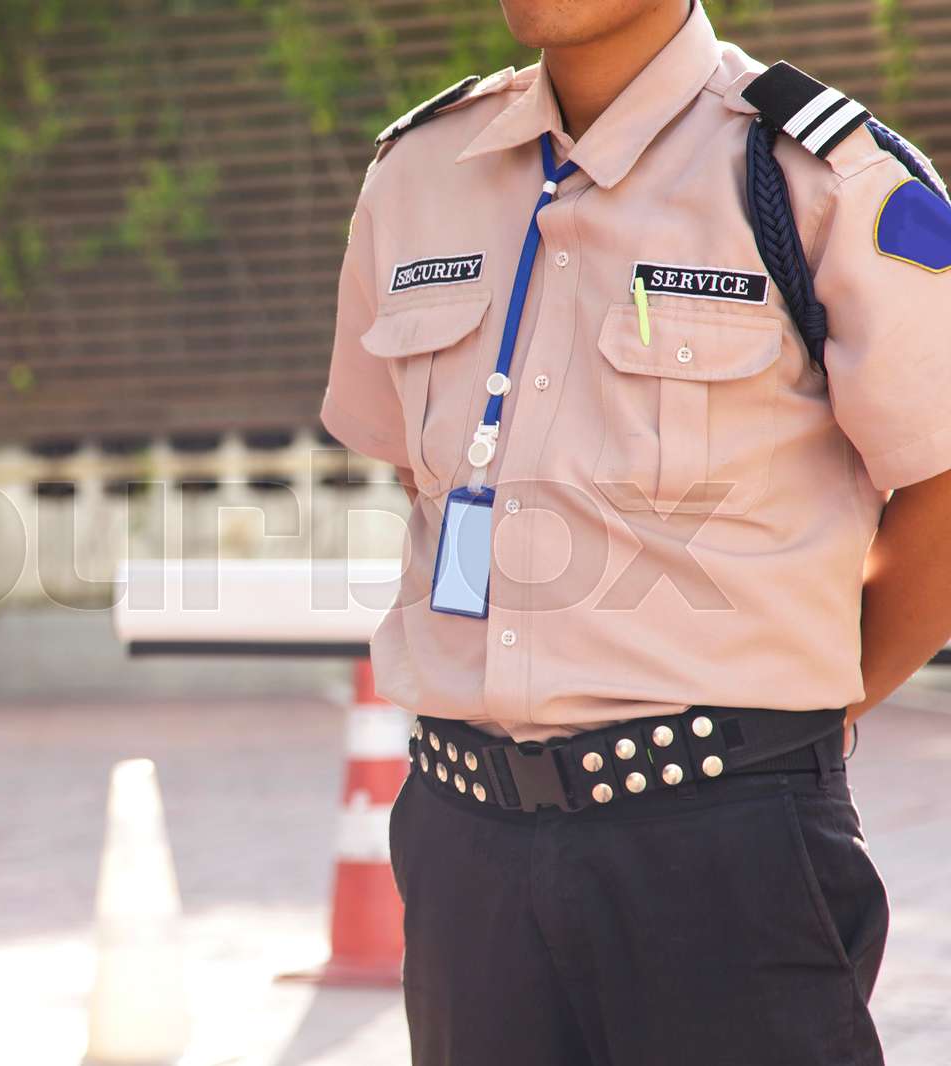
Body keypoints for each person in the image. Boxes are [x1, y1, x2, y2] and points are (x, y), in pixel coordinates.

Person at [320, 2, 951, 1064]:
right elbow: (414, 466)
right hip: (463, 843)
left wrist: (811, 704)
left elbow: (940, 483)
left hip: (721, 849)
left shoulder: (818, 177)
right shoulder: (415, 173)